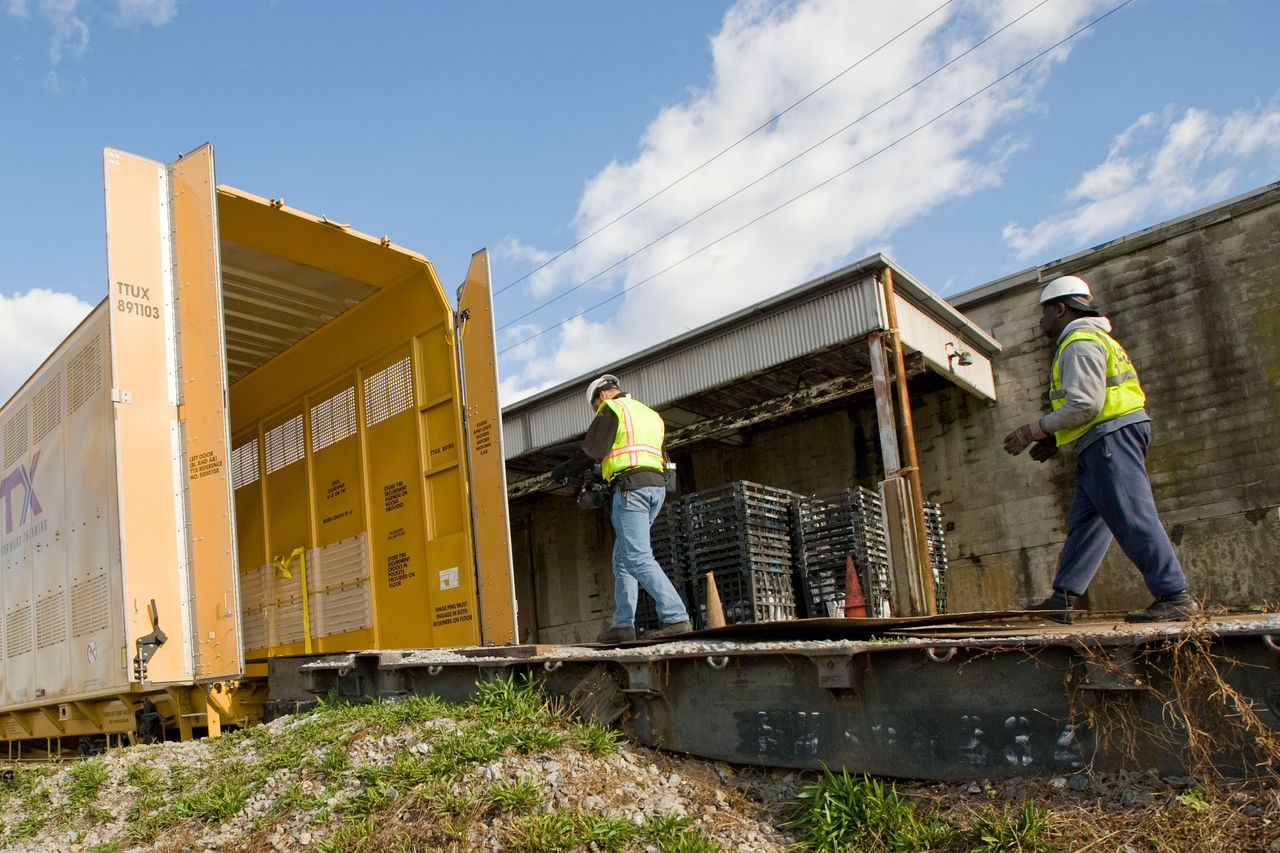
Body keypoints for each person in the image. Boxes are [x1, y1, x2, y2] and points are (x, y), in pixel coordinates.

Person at [1003, 275, 1198, 624]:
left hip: (1110, 437)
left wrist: (1033, 430)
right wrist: (1055, 439)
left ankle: (1174, 594)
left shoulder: (1078, 342)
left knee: (1132, 512)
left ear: (1061, 308)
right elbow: (1091, 404)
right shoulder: (1095, 338)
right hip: (1104, 437)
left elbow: (1084, 404)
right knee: (1088, 521)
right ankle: (1063, 598)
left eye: (1044, 312)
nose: (1041, 320)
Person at [552, 374, 693, 643]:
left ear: (601, 396)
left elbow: (591, 452)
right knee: (624, 558)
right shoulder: (650, 414)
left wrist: (564, 470)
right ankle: (623, 626)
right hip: (656, 488)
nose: (596, 412)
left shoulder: (611, 409)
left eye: (594, 407)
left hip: (632, 489)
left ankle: (676, 617)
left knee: (638, 557)